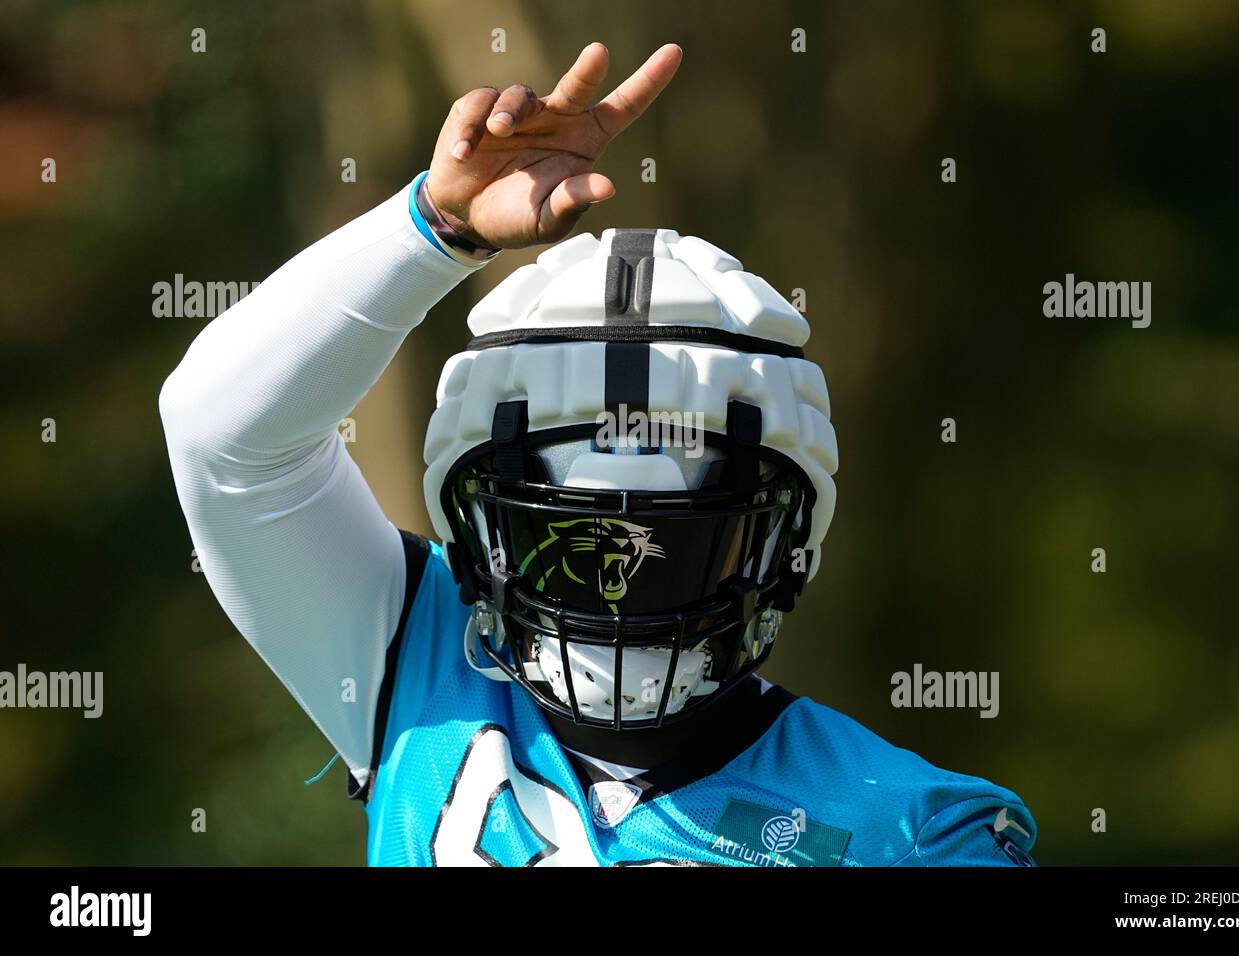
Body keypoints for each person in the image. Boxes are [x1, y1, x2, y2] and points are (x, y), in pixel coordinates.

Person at [160, 42, 1037, 866]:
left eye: (676, 549)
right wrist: (434, 226)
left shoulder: (915, 827)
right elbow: (220, 431)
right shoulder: (416, 658)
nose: (620, 603)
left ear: (784, 544)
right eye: (568, 545)